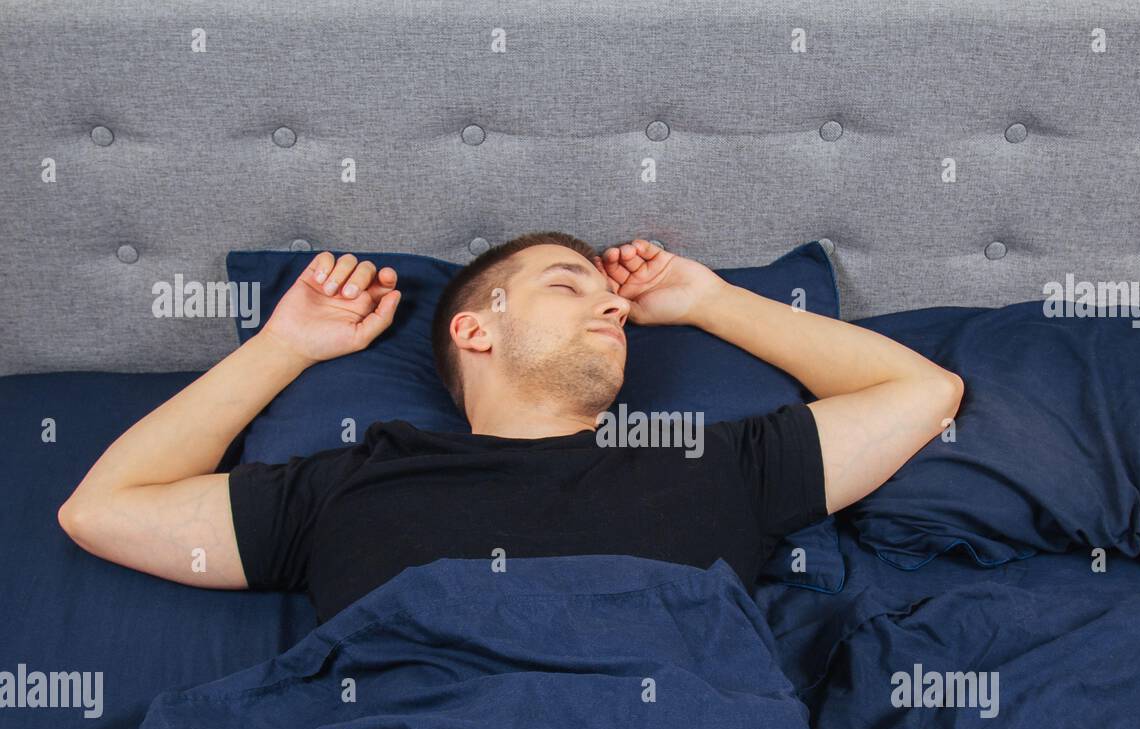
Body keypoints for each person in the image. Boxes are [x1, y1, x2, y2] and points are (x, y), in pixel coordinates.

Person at [58, 232, 963, 624]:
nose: (611, 308)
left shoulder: (712, 459)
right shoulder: (351, 484)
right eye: (569, 286)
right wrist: (285, 346)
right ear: (474, 328)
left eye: (615, 303)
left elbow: (922, 390)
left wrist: (713, 302)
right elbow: (102, 509)